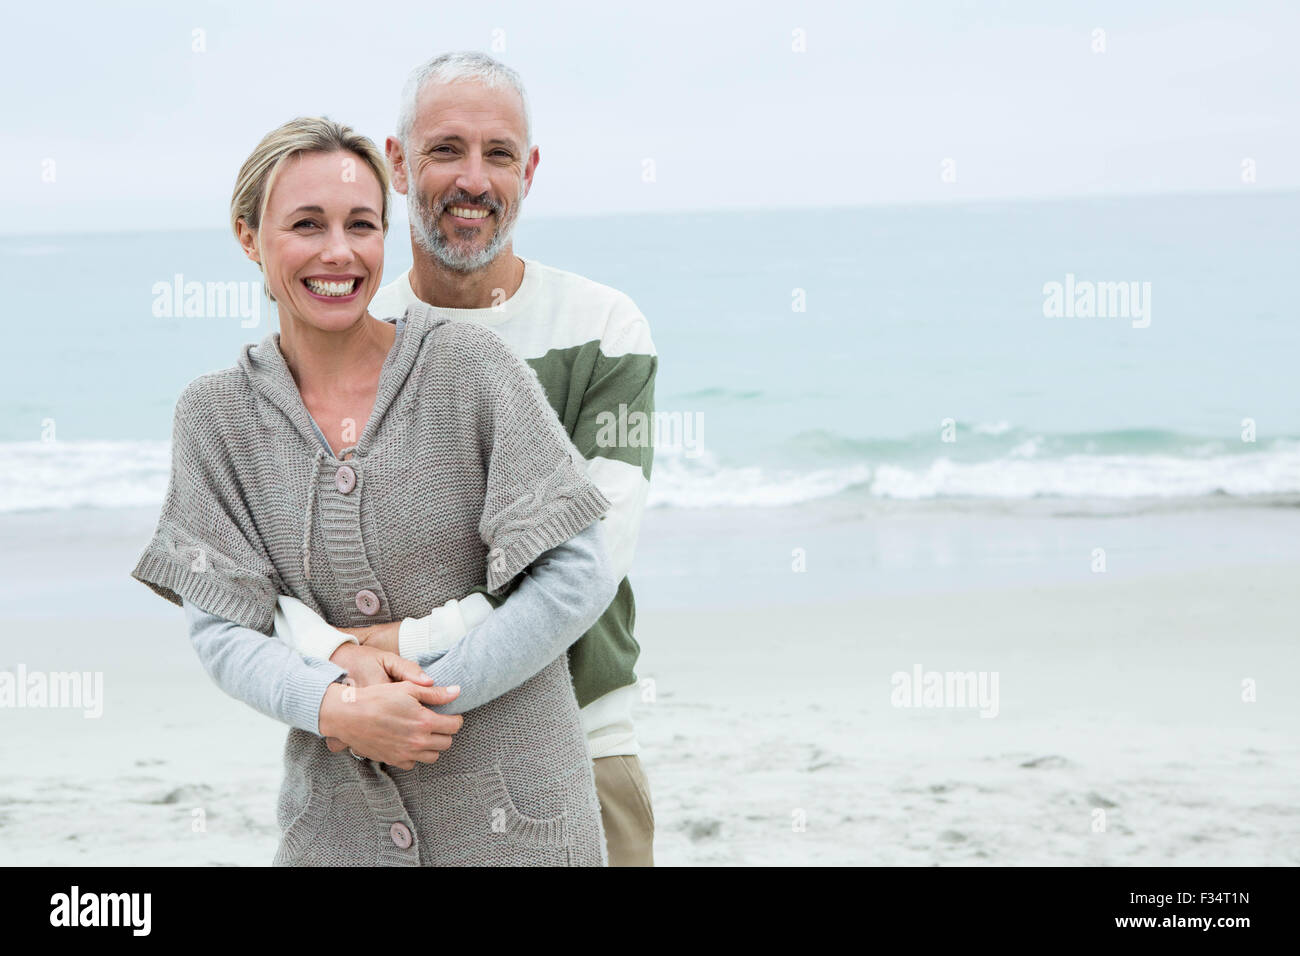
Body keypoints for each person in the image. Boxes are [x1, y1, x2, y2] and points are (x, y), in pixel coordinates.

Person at [130, 115, 618, 866]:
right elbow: (223, 627)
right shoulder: (216, 416)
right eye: (305, 224)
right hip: (337, 830)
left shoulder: (469, 368)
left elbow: (576, 574)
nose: (338, 252)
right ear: (248, 237)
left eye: (362, 224)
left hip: (517, 823)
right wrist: (337, 708)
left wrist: (416, 700)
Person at [272, 50, 659, 867]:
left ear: (531, 170)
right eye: (446, 150)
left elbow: (591, 558)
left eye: (500, 154)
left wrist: (412, 644)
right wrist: (349, 675)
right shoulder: (345, 329)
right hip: (385, 754)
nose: (474, 179)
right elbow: (286, 571)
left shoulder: (604, 328)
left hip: (582, 738)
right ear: (400, 165)